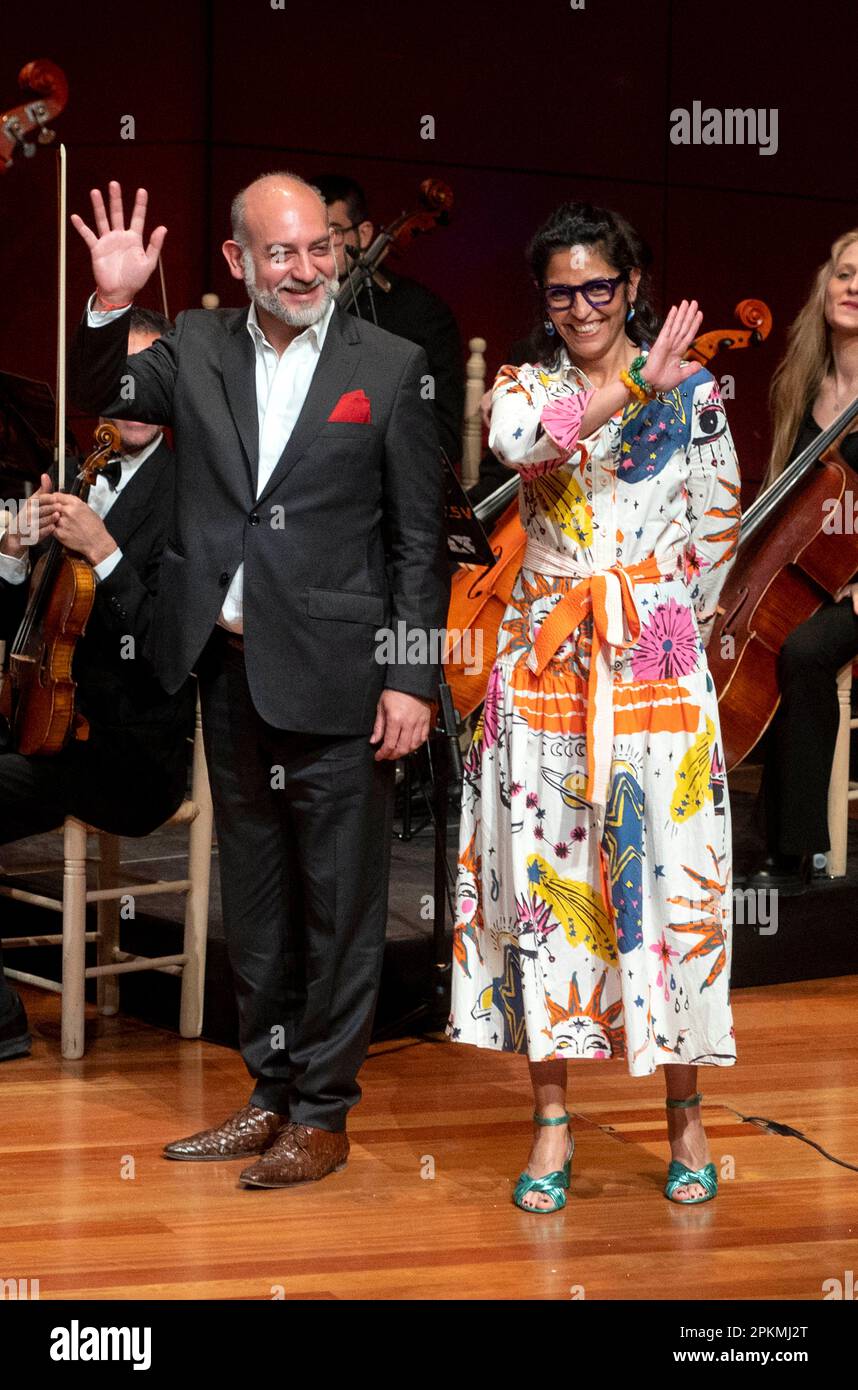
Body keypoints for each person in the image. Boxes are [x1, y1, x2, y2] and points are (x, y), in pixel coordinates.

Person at [68, 174, 449, 1187]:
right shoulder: (192, 350)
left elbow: (419, 545)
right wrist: (112, 304)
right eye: (280, 252)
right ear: (238, 261)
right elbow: (107, 403)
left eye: (319, 247)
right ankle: (268, 1092)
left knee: (341, 903)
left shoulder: (393, 364)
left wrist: (410, 679)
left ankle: (323, 1111)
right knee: (262, 902)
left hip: (341, 676)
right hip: (227, 673)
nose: (306, 268)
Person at [447, 202, 741, 1211]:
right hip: (543, 666)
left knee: (674, 889)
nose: (580, 306)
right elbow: (525, 448)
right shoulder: (528, 386)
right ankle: (553, 1126)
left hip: (652, 663)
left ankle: (686, 1114)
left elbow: (716, 528)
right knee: (546, 891)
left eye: (599, 288)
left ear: (633, 286)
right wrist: (628, 386)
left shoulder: (695, 389)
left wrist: (663, 628)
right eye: (561, 291)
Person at [0, 307, 194, 1061]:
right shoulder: (78, 470)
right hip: (48, 725)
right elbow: (26, 625)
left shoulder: (191, 494)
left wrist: (105, 550)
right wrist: (18, 553)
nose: (128, 395)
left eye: (145, 377)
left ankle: (4, 1022)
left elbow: (167, 648)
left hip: (125, 750)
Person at [739, 229, 858, 895]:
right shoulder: (803, 386)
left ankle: (799, 849)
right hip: (811, 575)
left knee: (806, 651)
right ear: (825, 287)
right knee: (767, 638)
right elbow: (780, 496)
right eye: (844, 274)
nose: (853, 288)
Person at [311, 173, 464, 466]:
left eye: (332, 233)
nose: (318, 250)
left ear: (365, 234)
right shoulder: (291, 308)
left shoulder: (422, 315)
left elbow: (442, 437)